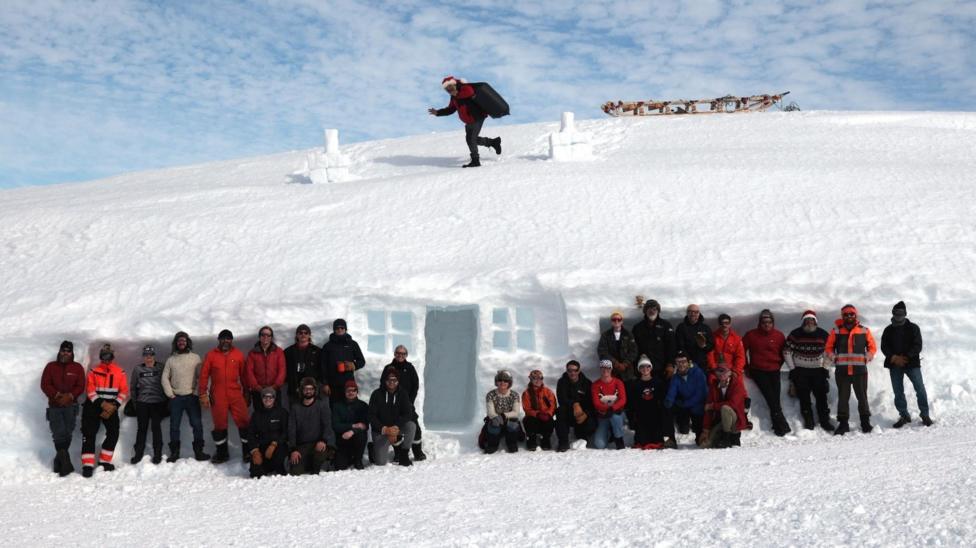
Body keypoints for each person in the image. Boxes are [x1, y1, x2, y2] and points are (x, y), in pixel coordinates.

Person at [199, 329, 250, 464]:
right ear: (219, 340)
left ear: (231, 341)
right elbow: (204, 375)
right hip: (218, 394)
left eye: (228, 339)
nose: (226, 341)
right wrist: (203, 393)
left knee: (244, 422)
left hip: (235, 393)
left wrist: (246, 392)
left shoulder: (238, 355)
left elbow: (244, 375)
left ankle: (248, 452)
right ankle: (222, 453)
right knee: (220, 425)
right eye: (223, 339)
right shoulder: (211, 355)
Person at [427, 75, 502, 168]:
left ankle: (475, 161)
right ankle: (492, 142)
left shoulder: (464, 88)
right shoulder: (454, 97)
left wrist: (456, 94)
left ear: (454, 84)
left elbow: (470, 92)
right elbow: (450, 109)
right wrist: (438, 112)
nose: (448, 89)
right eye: (446, 88)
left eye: (449, 86)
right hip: (469, 121)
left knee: (470, 139)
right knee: (472, 139)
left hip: (476, 117)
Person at [825, 305, 877, 435]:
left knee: (862, 397)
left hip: (860, 371)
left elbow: (872, 347)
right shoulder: (836, 331)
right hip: (842, 372)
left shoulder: (864, 331)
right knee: (843, 398)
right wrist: (833, 356)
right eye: (846, 314)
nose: (849, 316)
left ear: (855, 315)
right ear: (842, 316)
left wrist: (868, 357)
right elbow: (829, 347)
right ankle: (843, 424)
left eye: (851, 314)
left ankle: (865, 422)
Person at [80, 343, 130, 477]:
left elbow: (124, 390)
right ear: (100, 356)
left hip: (111, 406)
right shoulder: (93, 371)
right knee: (89, 433)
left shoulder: (120, 372)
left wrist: (115, 405)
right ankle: (87, 465)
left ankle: (104, 462)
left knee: (113, 432)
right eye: (103, 355)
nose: (106, 358)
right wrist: (102, 403)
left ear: (112, 356)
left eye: (108, 355)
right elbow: (90, 390)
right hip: (93, 405)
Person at [881, 301, 931, 428]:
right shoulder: (888, 330)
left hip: (912, 363)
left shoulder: (914, 328)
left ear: (905, 314)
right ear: (892, 313)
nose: (899, 315)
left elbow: (918, 345)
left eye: (901, 313)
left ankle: (925, 414)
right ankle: (904, 415)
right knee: (898, 392)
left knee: (920, 388)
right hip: (894, 364)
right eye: (896, 313)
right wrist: (893, 357)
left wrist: (906, 356)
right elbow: (884, 347)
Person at [162, 331, 210, 462]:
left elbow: (201, 376)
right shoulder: (171, 359)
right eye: (179, 341)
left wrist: (196, 392)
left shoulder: (195, 358)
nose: (181, 343)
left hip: (191, 397)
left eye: (183, 341)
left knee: (197, 424)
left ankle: (199, 451)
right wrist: (170, 394)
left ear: (187, 342)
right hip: (176, 398)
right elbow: (164, 377)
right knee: (174, 426)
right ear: (176, 344)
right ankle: (175, 453)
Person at [742, 309, 790, 436]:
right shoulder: (751, 335)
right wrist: (746, 367)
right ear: (760, 322)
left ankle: (777, 425)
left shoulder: (779, 335)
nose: (766, 325)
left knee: (775, 399)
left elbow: (784, 352)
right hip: (758, 371)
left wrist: (778, 365)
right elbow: (742, 350)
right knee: (771, 398)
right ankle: (783, 426)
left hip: (774, 371)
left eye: (769, 322)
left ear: (773, 322)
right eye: (764, 322)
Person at [40, 340, 85, 476]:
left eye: (68, 351)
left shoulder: (77, 368)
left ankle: (59, 460)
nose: (65, 353)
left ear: (72, 353)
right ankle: (66, 463)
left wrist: (70, 396)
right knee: (58, 433)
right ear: (59, 351)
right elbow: (45, 384)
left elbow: (80, 385)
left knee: (68, 432)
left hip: (71, 406)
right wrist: (57, 395)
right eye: (63, 350)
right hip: (55, 405)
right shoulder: (51, 367)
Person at [783, 310, 834, 431]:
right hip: (800, 371)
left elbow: (830, 352)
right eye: (807, 320)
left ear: (815, 321)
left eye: (811, 320)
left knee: (821, 397)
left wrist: (825, 367)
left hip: (818, 370)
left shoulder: (823, 334)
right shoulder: (795, 334)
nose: (809, 322)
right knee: (804, 398)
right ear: (803, 322)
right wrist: (792, 369)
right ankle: (809, 421)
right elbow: (786, 351)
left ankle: (824, 421)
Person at [382, 345, 425, 460]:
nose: (400, 355)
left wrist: (409, 401)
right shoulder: (388, 368)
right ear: (394, 354)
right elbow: (383, 386)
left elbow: (415, 386)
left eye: (403, 353)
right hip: (392, 406)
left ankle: (417, 452)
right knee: (395, 428)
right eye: (398, 353)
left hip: (407, 405)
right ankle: (399, 453)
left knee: (415, 427)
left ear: (406, 355)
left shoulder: (410, 368)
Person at [369, 368, 417, 466]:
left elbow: (408, 413)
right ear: (385, 381)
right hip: (381, 430)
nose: (392, 382)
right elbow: (371, 416)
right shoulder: (376, 394)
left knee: (411, 426)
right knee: (381, 462)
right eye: (389, 380)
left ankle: (404, 455)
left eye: (394, 380)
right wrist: (385, 429)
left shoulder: (403, 393)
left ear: (398, 381)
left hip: (395, 428)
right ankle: (372, 449)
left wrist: (395, 427)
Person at [129, 345, 168, 464]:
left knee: (156, 428)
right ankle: (138, 454)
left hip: (158, 403)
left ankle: (157, 454)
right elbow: (133, 387)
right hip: (143, 403)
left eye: (150, 355)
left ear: (154, 356)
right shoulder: (137, 369)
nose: (148, 358)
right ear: (143, 357)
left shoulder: (161, 367)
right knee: (142, 429)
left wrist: (166, 400)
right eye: (146, 355)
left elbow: (167, 382)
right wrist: (136, 402)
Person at [288, 377, 335, 475]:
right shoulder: (295, 407)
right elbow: (291, 430)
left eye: (311, 389)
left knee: (317, 464)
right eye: (306, 389)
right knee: (295, 472)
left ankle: (320, 461)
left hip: (318, 443)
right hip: (302, 445)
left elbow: (327, 425)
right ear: (301, 390)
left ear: (315, 390)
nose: (308, 391)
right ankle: (306, 462)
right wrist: (293, 449)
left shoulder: (322, 405)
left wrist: (323, 440)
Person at [626, 356, 675, 449]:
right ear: (639, 369)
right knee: (642, 441)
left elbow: (664, 400)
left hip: (655, 416)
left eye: (647, 366)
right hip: (641, 417)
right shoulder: (635, 384)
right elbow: (632, 403)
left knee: (656, 439)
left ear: (651, 368)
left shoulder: (658, 382)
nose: (645, 369)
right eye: (642, 367)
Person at [700, 364, 748, 448]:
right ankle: (721, 438)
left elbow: (733, 404)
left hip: (735, 419)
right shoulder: (714, 386)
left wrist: (713, 406)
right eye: (718, 371)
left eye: (723, 371)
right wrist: (706, 429)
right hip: (720, 420)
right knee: (705, 445)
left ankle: (728, 438)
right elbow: (708, 408)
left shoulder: (737, 384)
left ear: (730, 373)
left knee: (725, 408)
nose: (721, 374)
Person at [320, 319, 366, 404]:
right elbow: (323, 366)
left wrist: (354, 365)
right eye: (337, 328)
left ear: (345, 329)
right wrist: (325, 384)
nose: (340, 330)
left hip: (348, 383)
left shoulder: (352, 344)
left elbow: (362, 361)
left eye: (342, 327)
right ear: (334, 330)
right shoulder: (327, 346)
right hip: (333, 384)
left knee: (350, 406)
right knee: (334, 407)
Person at [663, 351, 708, 439]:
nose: (681, 364)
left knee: (699, 434)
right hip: (686, 405)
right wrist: (668, 401)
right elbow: (672, 391)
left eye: (683, 361)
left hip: (698, 406)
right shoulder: (676, 377)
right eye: (678, 362)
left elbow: (701, 394)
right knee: (667, 408)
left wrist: (684, 404)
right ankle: (670, 438)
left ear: (688, 362)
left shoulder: (697, 373)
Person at [247, 387, 289, 478]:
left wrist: (274, 444)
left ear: (274, 399)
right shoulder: (256, 414)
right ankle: (265, 467)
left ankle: (276, 466)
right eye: (265, 397)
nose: (268, 399)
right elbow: (250, 434)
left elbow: (286, 432)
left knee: (280, 468)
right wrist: (255, 451)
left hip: (278, 445)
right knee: (255, 473)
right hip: (262, 446)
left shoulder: (282, 412)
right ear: (262, 399)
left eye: (271, 397)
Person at [555, 360, 595, 452]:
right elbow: (562, 400)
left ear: (579, 370)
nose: (572, 373)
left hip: (582, 414)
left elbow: (590, 403)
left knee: (592, 422)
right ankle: (563, 442)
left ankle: (582, 435)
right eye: (570, 370)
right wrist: (574, 404)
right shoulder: (562, 382)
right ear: (566, 370)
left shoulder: (587, 383)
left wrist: (585, 414)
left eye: (575, 370)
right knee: (560, 411)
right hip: (569, 412)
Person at [631, 299, 676, 379]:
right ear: (645, 311)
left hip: (662, 368)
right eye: (649, 309)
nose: (652, 311)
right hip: (643, 368)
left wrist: (670, 364)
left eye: (654, 309)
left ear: (658, 311)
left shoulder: (666, 326)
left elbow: (671, 346)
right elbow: (633, 348)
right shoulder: (638, 328)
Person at [245, 326, 286, 408]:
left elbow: (282, 370)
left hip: (274, 390)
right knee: (260, 415)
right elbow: (249, 372)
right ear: (259, 337)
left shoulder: (278, 352)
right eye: (263, 335)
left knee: (275, 415)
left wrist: (275, 386)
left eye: (268, 335)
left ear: (271, 337)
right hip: (258, 391)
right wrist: (257, 387)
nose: (265, 337)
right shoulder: (252, 353)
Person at [332, 379, 369, 470]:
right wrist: (352, 426)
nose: (351, 393)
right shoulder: (337, 406)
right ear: (344, 392)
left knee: (361, 434)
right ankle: (347, 457)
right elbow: (335, 425)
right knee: (340, 466)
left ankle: (358, 459)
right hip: (342, 438)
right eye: (348, 390)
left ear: (357, 392)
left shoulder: (363, 406)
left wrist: (352, 431)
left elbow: (364, 425)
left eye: (353, 390)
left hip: (357, 437)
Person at [591, 359, 627, 449]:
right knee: (599, 444)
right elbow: (596, 402)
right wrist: (607, 410)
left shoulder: (618, 382)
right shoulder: (595, 385)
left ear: (611, 369)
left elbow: (623, 399)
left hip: (617, 414)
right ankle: (610, 432)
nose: (605, 370)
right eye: (603, 368)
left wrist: (612, 408)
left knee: (614, 417)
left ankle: (619, 440)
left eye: (607, 368)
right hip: (603, 415)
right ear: (600, 369)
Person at [483, 369, 522, 454]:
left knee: (513, 425)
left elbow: (516, 412)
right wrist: (496, 417)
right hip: (496, 419)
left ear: (509, 383)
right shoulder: (490, 395)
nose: (502, 382)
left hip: (509, 419)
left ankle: (511, 443)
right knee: (494, 426)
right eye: (500, 380)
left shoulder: (514, 395)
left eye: (505, 380)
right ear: (496, 382)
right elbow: (490, 412)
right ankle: (493, 445)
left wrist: (504, 416)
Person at [284, 324, 322, 403]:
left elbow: (322, 369)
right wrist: (289, 380)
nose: (303, 335)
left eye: (306, 333)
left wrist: (316, 382)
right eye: (300, 333)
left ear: (309, 335)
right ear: (297, 335)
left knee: (312, 413)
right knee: (295, 413)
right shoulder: (288, 351)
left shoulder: (317, 351)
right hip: (294, 389)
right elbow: (284, 368)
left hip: (311, 390)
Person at [597, 310, 639, 382]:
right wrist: (615, 363)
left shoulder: (628, 334)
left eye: (619, 319)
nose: (616, 321)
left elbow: (634, 351)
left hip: (627, 371)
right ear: (611, 321)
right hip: (611, 371)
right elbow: (602, 351)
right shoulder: (606, 335)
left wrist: (625, 364)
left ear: (622, 321)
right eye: (614, 319)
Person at [521, 370, 557, 451]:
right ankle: (531, 439)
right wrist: (537, 414)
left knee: (550, 422)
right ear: (530, 379)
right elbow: (527, 409)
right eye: (535, 378)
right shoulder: (526, 393)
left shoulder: (548, 392)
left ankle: (545, 439)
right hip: (533, 417)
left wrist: (548, 414)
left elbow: (553, 406)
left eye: (540, 378)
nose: (538, 380)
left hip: (545, 417)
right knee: (528, 420)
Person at [675, 304, 714, 372]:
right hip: (685, 364)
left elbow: (711, 345)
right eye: (690, 312)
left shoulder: (705, 328)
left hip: (702, 364)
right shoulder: (681, 327)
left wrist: (704, 346)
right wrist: (687, 360)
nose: (693, 314)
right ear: (687, 313)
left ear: (699, 313)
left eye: (696, 312)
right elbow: (679, 345)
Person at [709, 313, 745, 378]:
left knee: (738, 384)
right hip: (717, 368)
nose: (724, 325)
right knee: (712, 381)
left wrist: (735, 371)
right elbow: (709, 354)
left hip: (731, 368)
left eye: (726, 323)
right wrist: (713, 368)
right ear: (719, 324)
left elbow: (740, 357)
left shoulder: (736, 338)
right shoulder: (712, 337)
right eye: (721, 323)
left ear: (730, 324)